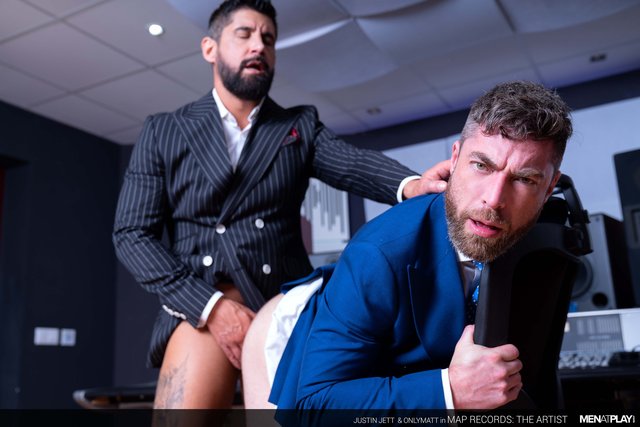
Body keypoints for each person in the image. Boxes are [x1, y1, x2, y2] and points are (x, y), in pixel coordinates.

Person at [112, 0, 450, 409]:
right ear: (210, 48)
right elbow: (132, 234)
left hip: (285, 305)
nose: (259, 45)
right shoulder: (164, 130)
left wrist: (412, 184)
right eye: (244, 34)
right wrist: (211, 308)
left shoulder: (298, 126)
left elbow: (351, 164)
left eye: (268, 39)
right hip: (202, 304)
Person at [242, 80, 573, 410]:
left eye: (524, 179)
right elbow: (313, 404)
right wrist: (450, 391)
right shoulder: (377, 254)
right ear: (455, 159)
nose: (494, 199)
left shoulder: (543, 234)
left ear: (548, 188)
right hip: (286, 338)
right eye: (481, 166)